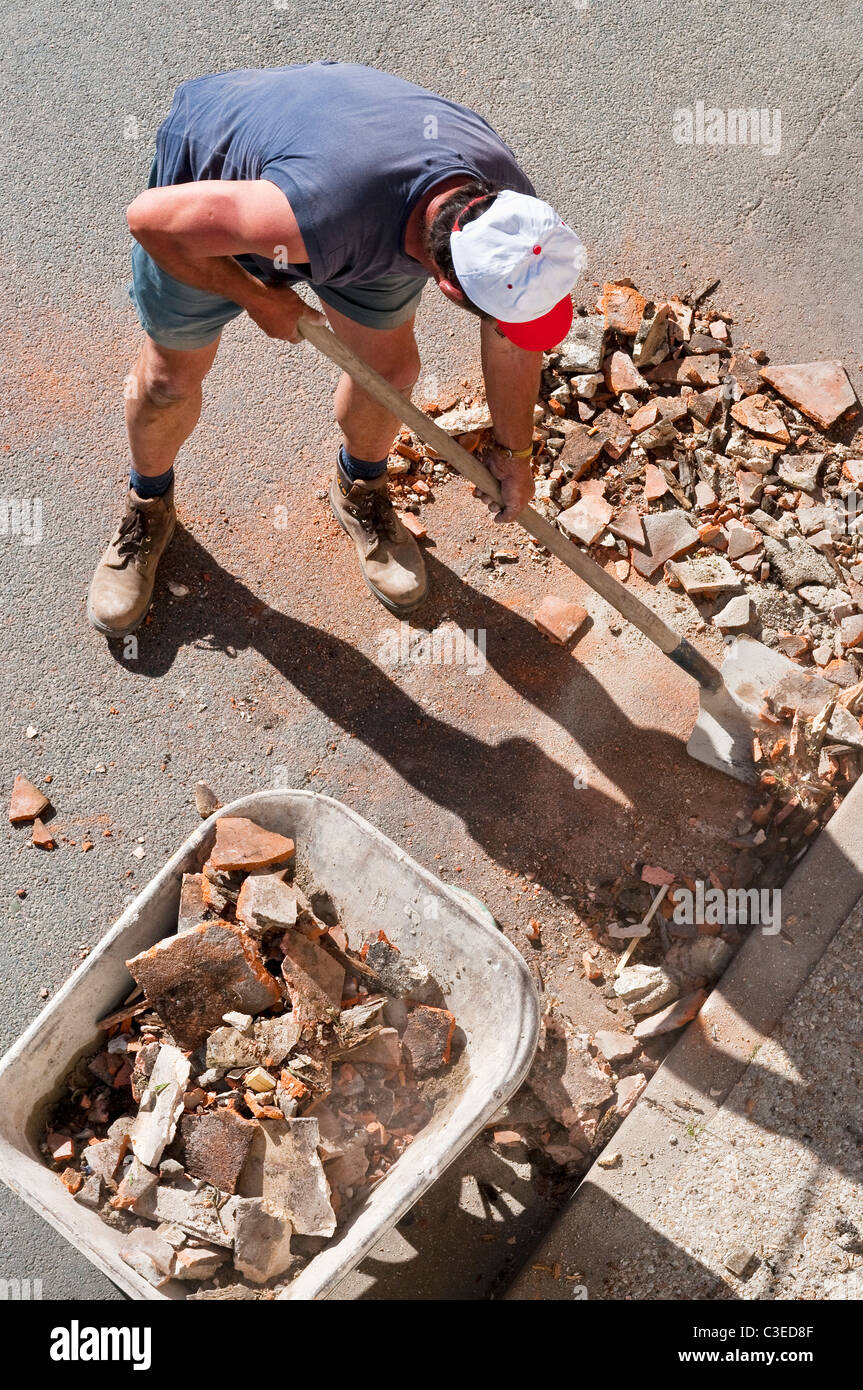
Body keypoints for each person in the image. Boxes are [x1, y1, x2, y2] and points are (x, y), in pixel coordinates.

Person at [87, 61, 586, 635]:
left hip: (360, 190)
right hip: (214, 197)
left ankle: (359, 488)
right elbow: (149, 220)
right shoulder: (315, 213)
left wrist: (514, 451)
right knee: (167, 382)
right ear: (448, 284)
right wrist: (257, 296)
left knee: (390, 371)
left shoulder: (517, 219)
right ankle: (148, 506)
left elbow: (510, 340)